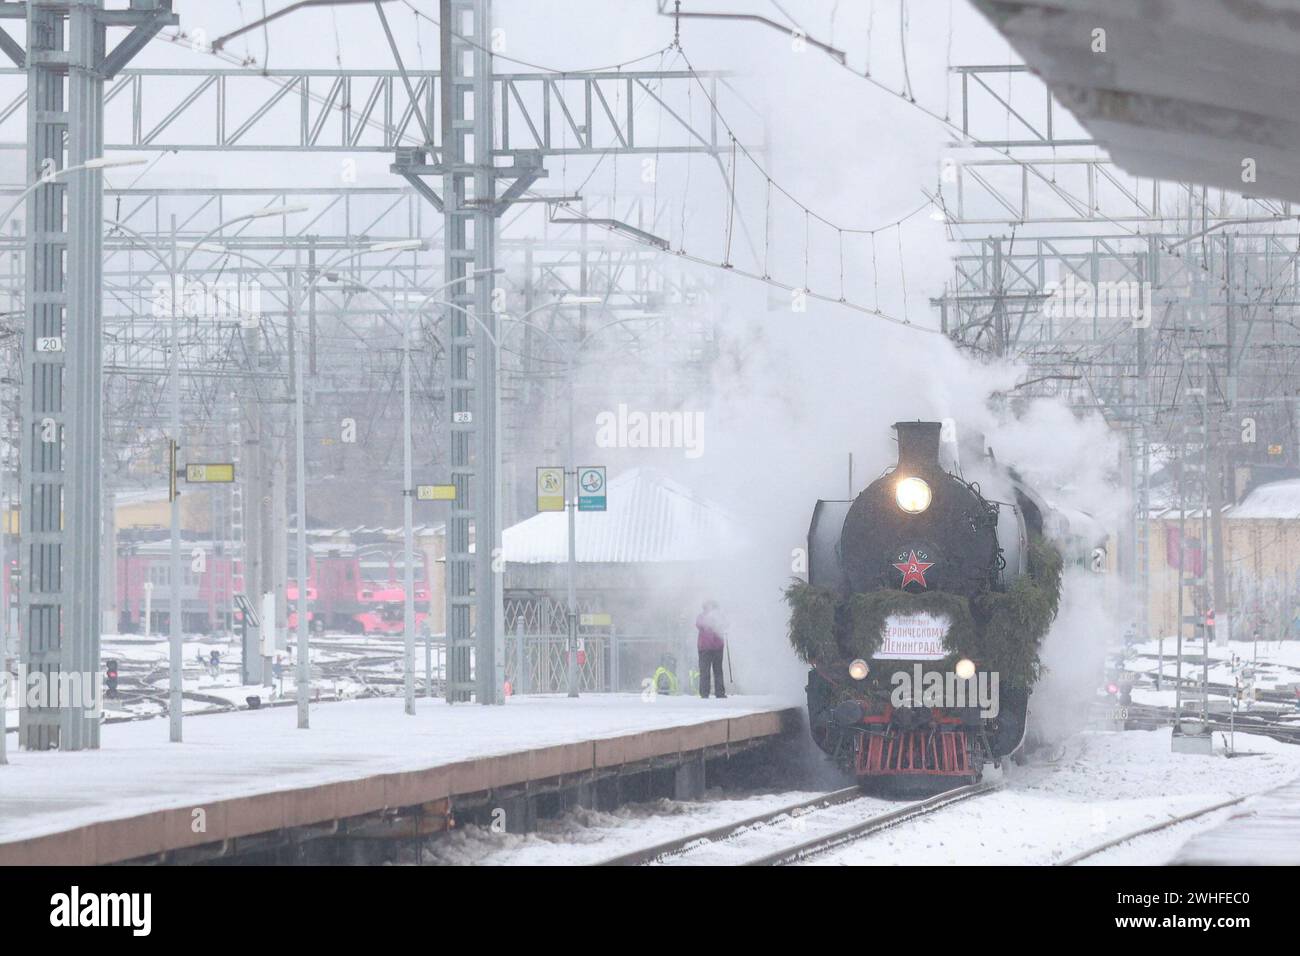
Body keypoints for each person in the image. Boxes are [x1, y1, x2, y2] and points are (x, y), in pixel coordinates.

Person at [696, 600, 727, 699]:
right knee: (715, 670)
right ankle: (716, 693)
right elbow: (700, 625)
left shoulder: (702, 617)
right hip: (713, 647)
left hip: (706, 647)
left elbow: (726, 625)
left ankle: (706, 693)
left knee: (708, 670)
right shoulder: (704, 617)